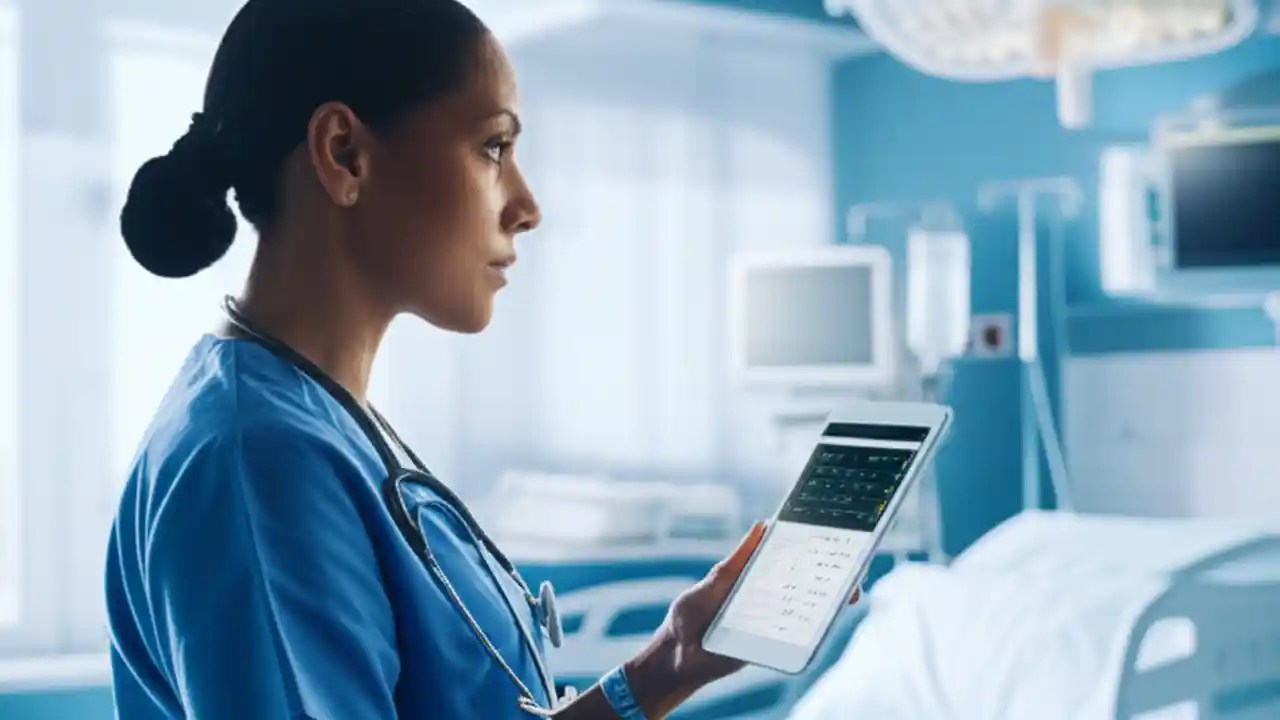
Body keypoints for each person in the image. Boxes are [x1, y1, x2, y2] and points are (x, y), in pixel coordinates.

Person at [104, 1, 857, 718]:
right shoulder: (259, 463)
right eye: (494, 148)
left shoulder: (318, 423)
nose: (526, 207)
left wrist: (672, 663)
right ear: (344, 154)